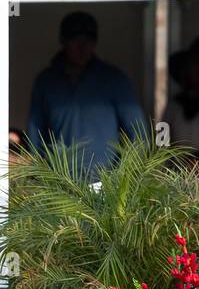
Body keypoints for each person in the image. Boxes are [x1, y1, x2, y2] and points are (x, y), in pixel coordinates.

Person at [26, 11, 147, 178]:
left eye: (89, 40)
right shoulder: (46, 81)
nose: (82, 47)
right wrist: (40, 177)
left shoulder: (114, 79)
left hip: (106, 184)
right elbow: (35, 135)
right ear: (63, 41)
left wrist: (123, 179)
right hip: (60, 186)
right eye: (76, 40)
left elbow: (138, 134)